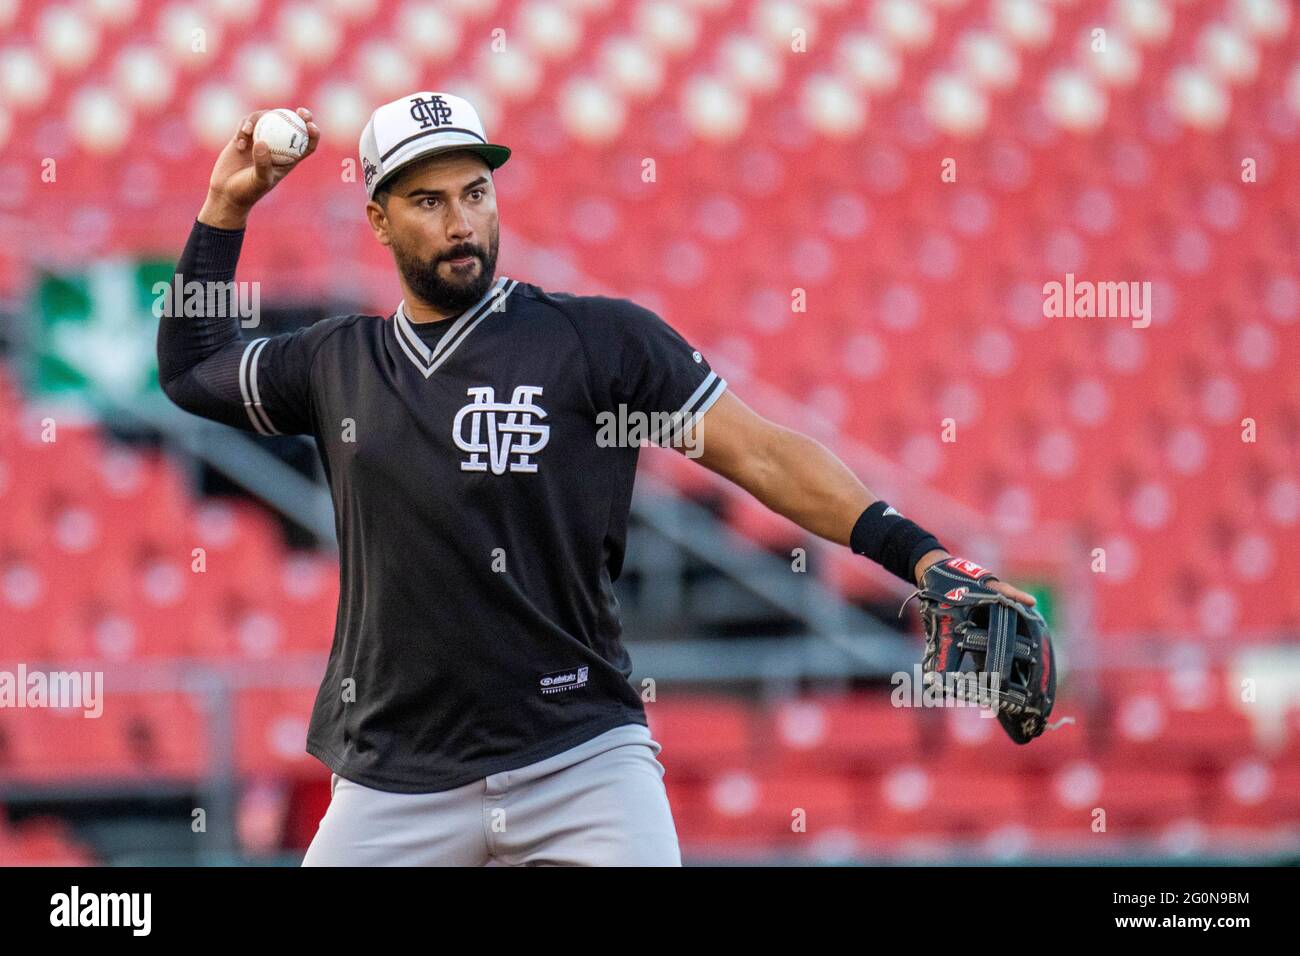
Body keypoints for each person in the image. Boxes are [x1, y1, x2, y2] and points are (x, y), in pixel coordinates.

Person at [157, 92, 1037, 866]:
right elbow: (191, 367)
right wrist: (225, 206)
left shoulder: (598, 341)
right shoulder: (338, 363)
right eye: (428, 200)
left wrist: (918, 556)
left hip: (579, 758)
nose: (462, 221)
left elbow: (763, 452)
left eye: (476, 191)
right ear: (380, 222)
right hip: (397, 775)